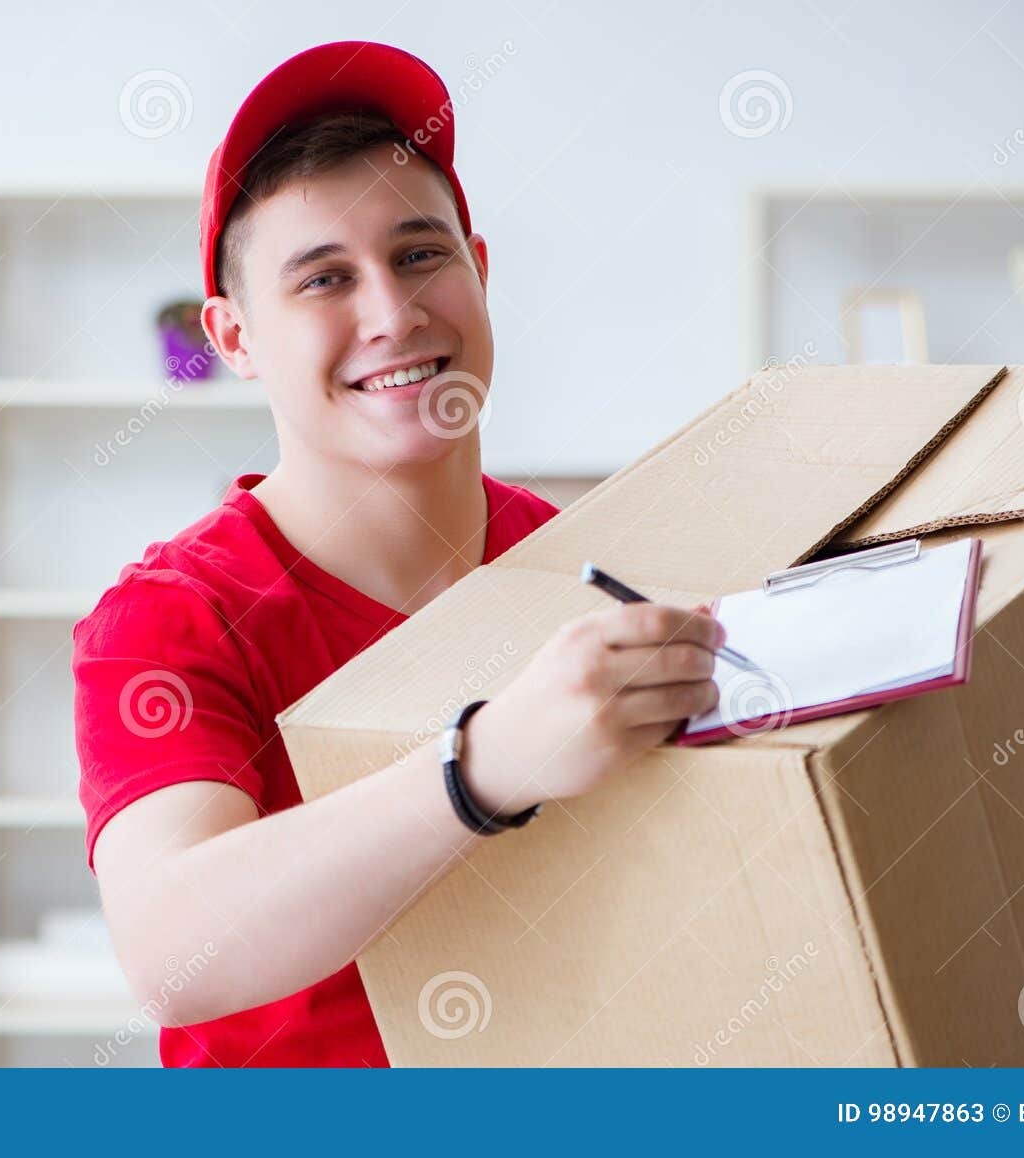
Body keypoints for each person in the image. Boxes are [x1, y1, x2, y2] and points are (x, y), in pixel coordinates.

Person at [72, 40, 723, 1067]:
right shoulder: (174, 614)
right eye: (324, 278)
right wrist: (486, 765)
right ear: (233, 339)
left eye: (420, 255)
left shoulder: (587, 564)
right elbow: (170, 951)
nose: (392, 312)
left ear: (480, 269)